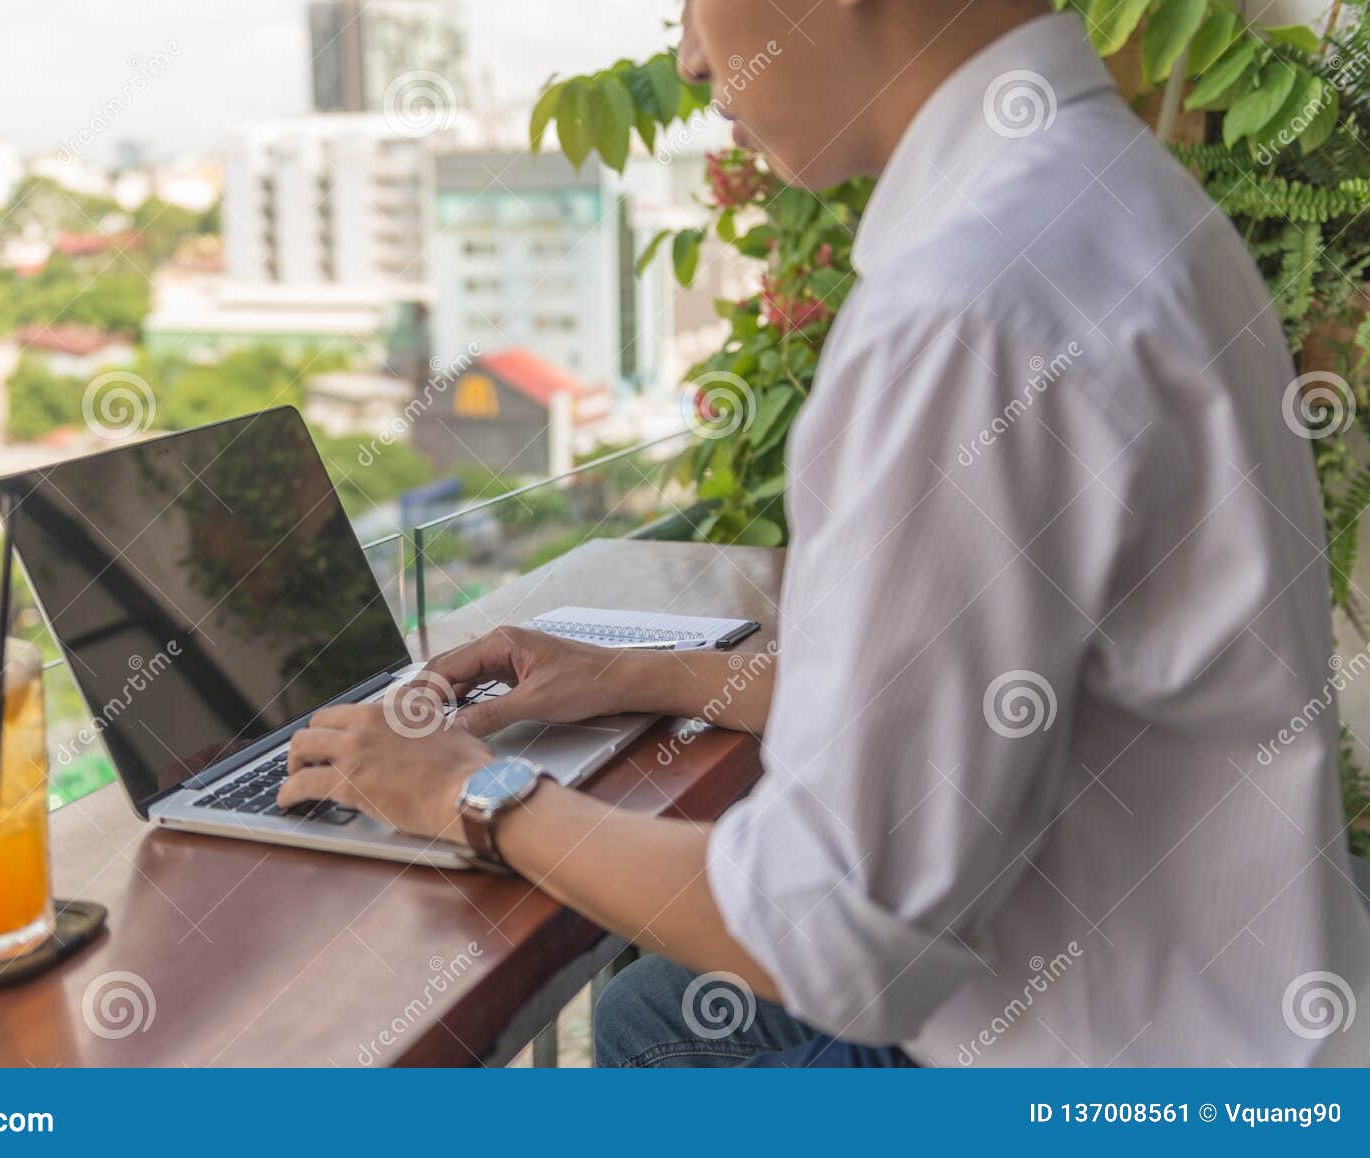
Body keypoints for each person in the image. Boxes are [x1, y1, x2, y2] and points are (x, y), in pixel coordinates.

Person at [279, 0, 1370, 1065]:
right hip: (1254, 1020)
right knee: (656, 1009)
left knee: (655, 1022)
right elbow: (1000, 700)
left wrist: (466, 794)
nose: (694, 59)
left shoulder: (967, 309)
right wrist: (635, 674)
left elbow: (838, 941)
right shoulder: (1110, 196)